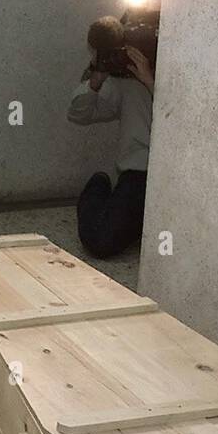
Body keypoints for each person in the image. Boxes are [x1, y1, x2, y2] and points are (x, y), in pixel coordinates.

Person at [67, 15, 155, 258]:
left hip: (182, 181)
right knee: (101, 242)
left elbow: (187, 122)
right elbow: (79, 114)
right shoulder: (128, 81)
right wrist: (95, 81)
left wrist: (151, 82)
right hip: (140, 176)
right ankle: (100, 188)